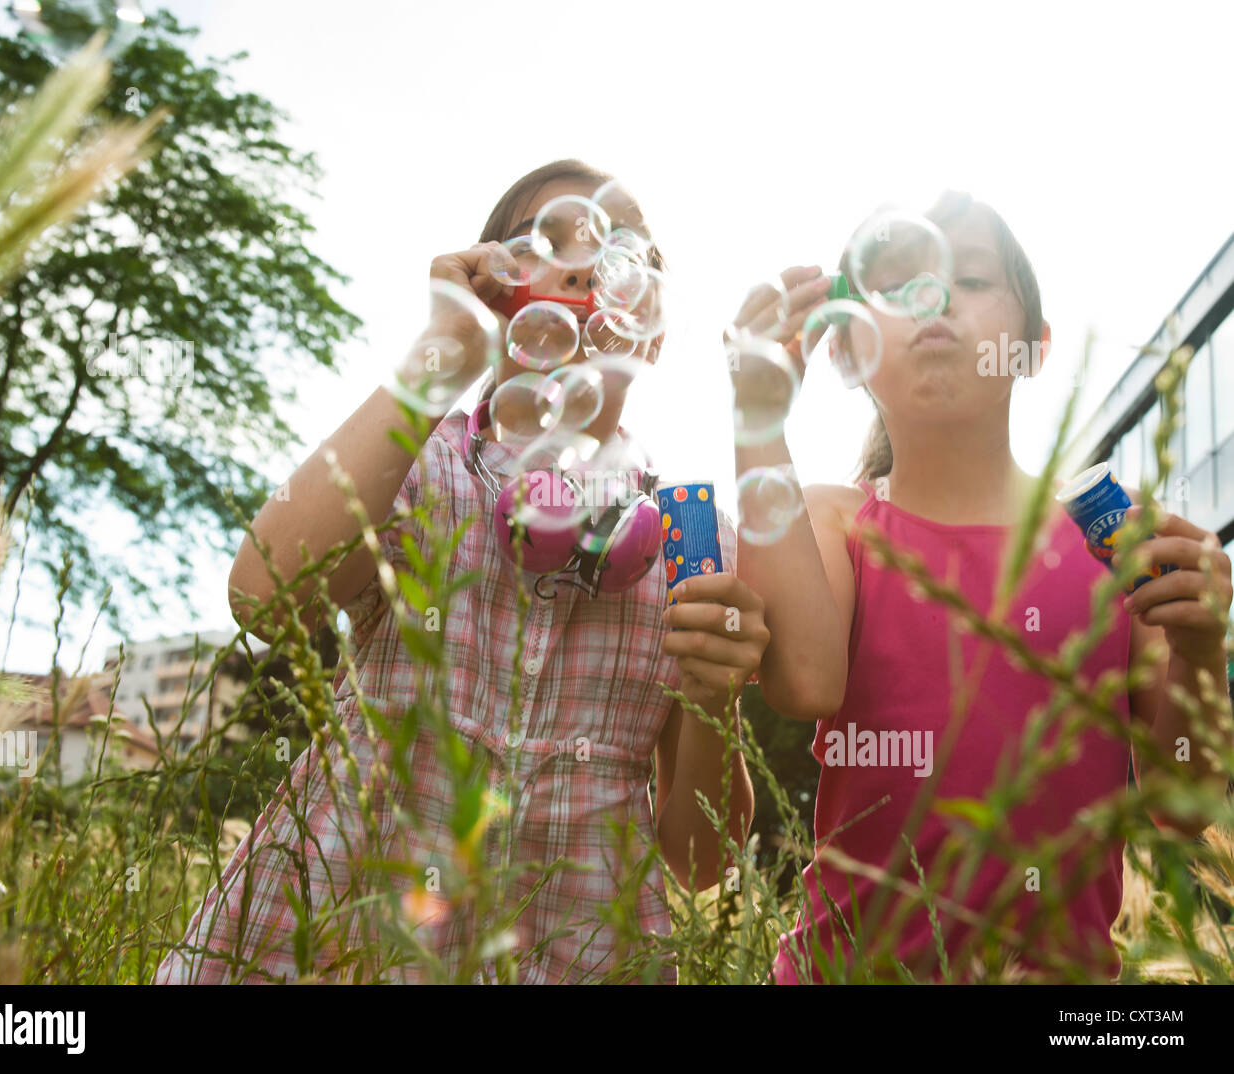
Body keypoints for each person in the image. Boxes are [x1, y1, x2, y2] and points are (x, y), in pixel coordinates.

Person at [153, 159, 768, 984]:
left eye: (625, 254)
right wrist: (440, 354)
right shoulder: (412, 466)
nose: (586, 263)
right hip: (338, 935)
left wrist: (715, 696)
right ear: (498, 288)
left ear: (650, 330)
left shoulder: (692, 537)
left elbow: (700, 861)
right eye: (549, 241)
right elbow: (264, 595)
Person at [731, 191, 1233, 982]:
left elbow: (1181, 803)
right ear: (848, 351)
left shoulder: (1118, 539)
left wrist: (1202, 650)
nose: (935, 304)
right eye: (898, 289)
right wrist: (758, 419)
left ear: (1033, 346)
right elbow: (803, 682)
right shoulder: (836, 520)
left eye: (970, 280)